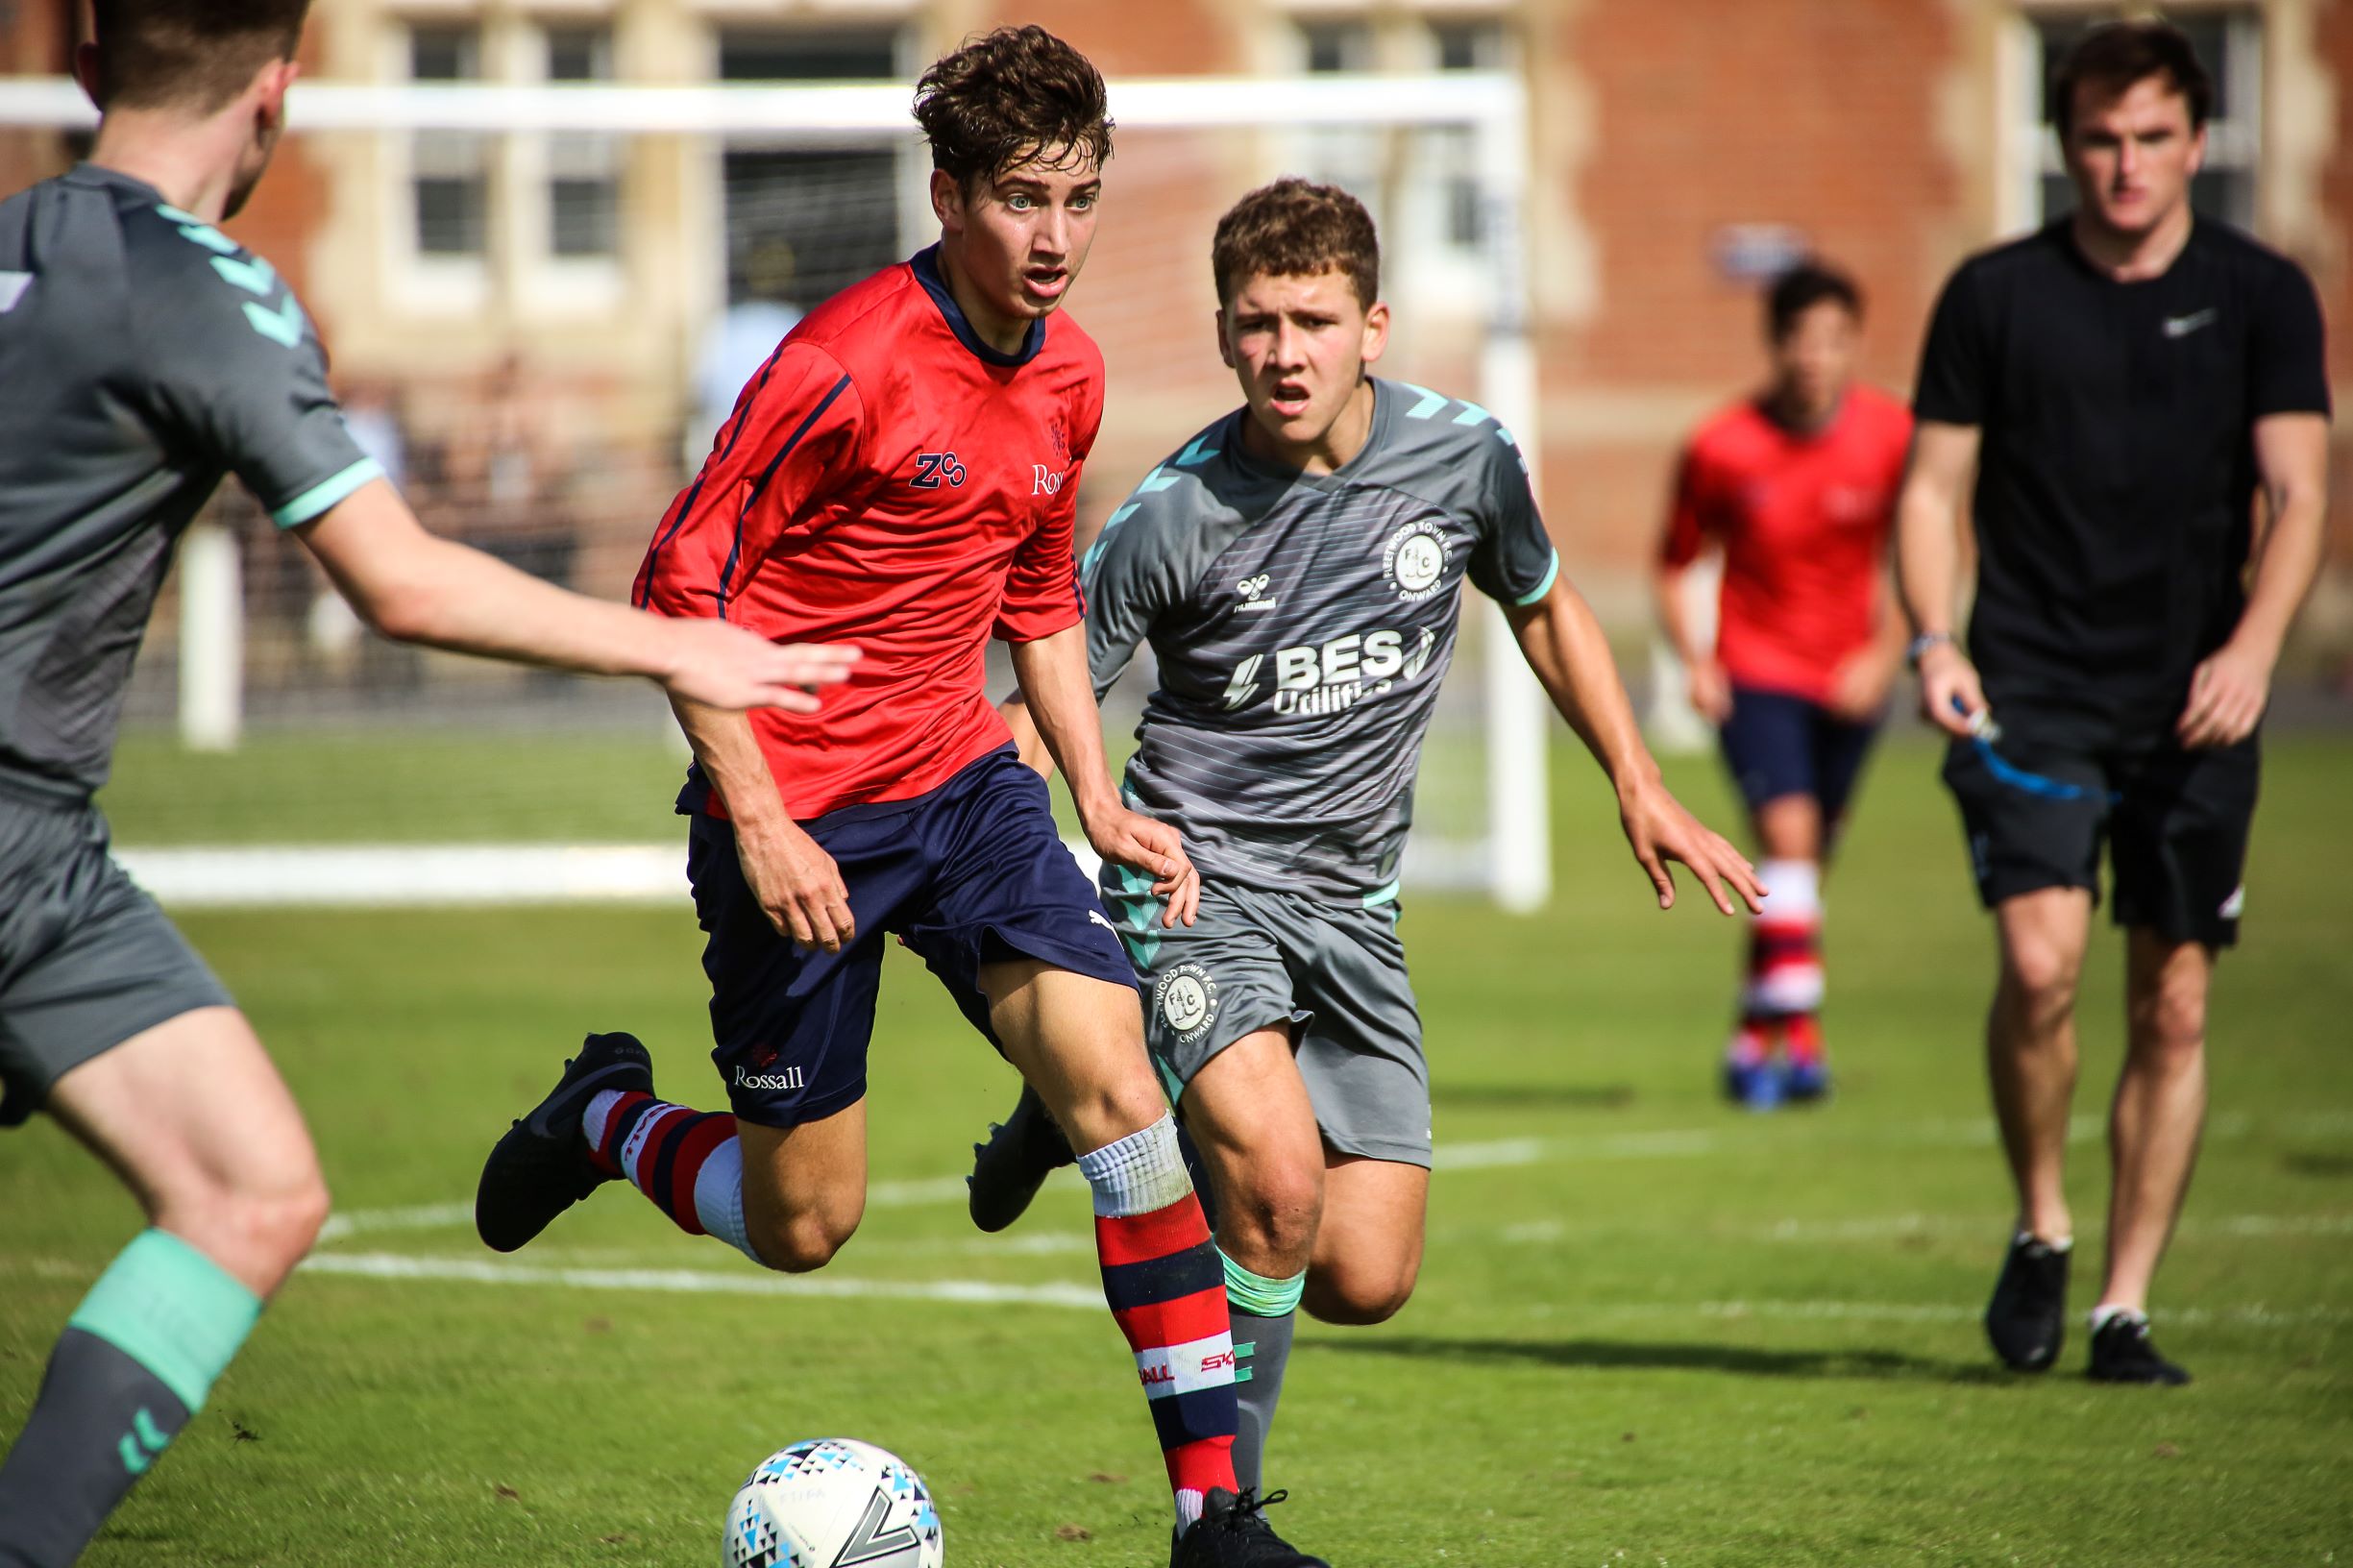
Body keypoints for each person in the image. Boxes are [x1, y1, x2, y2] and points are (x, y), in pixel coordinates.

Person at [0, 3, 856, 1562]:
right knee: (243, 1193)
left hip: (39, 858)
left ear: (77, 57)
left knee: (251, 1185)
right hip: (13, 840)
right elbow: (397, 581)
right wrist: (679, 647)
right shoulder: (203, 292)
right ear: (280, 89)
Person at [468, 31, 1325, 1568]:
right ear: (948, 194)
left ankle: (1217, 1522)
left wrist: (1097, 796)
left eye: (1078, 197)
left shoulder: (1069, 369)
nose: (1055, 237)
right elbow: (681, 585)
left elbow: (1039, 593)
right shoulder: (840, 364)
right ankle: (603, 1113)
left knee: (1127, 1103)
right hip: (795, 815)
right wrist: (763, 817)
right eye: (1020, 198)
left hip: (966, 790)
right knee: (806, 1224)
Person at [962, 179, 1762, 1497]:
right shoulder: (1171, 516)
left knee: (1364, 1276)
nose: (1286, 353)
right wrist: (910, 816)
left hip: (1356, 910)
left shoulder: (1464, 458)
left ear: (1373, 327)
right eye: (1258, 323)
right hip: (1195, 887)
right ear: (1222, 335)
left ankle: (1083, 1096)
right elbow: (1048, 697)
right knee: (1275, 1192)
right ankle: (1221, 1516)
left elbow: (1544, 603)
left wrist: (1634, 777)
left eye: (1314, 321)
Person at [1898, 20, 2331, 1385]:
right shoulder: (1992, 294)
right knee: (2039, 967)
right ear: (2062, 142)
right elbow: (1927, 490)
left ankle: (2122, 1307)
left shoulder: (2264, 294)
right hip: (2029, 680)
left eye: (2151, 138)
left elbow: (2302, 493)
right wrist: (1930, 637)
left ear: (2196, 143)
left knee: (2174, 1001)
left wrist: (2258, 645)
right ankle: (2041, 1224)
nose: (2124, 164)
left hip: (2197, 696)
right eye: (2097, 138)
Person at [1654, 260, 1912, 1108]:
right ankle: (1801, 1048)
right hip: (1755, 676)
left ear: (1852, 346)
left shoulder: (1890, 436)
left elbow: (1929, 555)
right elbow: (1675, 561)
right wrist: (1695, 659)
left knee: (1795, 876)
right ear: (1775, 345)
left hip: (1851, 687)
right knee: (1791, 844)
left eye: (1833, 340)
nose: (1815, 357)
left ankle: (1747, 1031)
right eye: (1800, 339)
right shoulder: (1721, 445)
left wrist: (1888, 652)